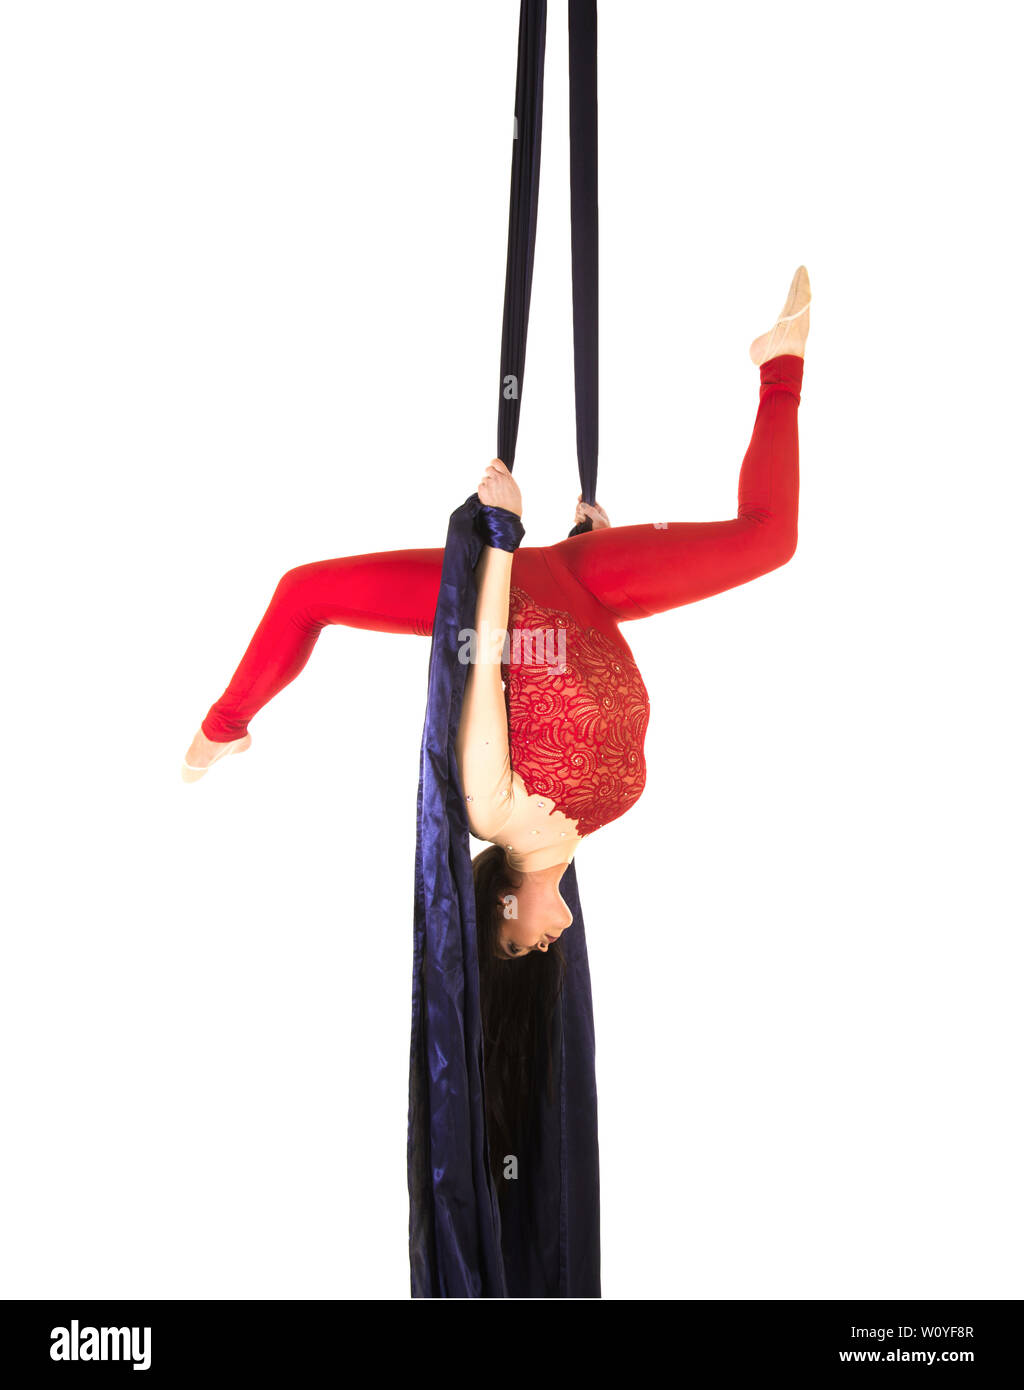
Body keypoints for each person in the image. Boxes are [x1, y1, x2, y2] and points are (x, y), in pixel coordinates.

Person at [183, 267, 811, 967]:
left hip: (501, 601)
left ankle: (221, 728)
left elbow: (484, 663)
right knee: (769, 540)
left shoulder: (494, 814)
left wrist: (503, 537)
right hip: (586, 586)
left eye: (516, 946)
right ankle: (779, 361)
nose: (542, 946)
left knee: (305, 592)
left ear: (499, 908)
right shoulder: (607, 817)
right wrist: (586, 545)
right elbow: (587, 681)